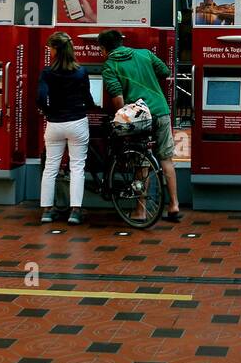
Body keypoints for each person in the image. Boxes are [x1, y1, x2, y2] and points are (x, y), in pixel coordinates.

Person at [98, 29, 182, 222]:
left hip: (140, 117)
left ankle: (141, 211)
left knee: (141, 163)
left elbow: (118, 100)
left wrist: (122, 119)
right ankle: (174, 204)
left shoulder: (110, 66)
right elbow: (165, 71)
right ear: (121, 42)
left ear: (103, 49)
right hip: (161, 110)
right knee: (166, 159)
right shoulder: (145, 53)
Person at [36, 32, 90, 226]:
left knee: (51, 167)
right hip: (77, 122)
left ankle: (47, 211)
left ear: (56, 49)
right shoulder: (81, 71)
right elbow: (87, 97)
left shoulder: (47, 72)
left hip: (55, 124)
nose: (49, 51)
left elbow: (41, 98)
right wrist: (88, 108)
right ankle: (75, 212)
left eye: (50, 48)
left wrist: (49, 111)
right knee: (77, 167)